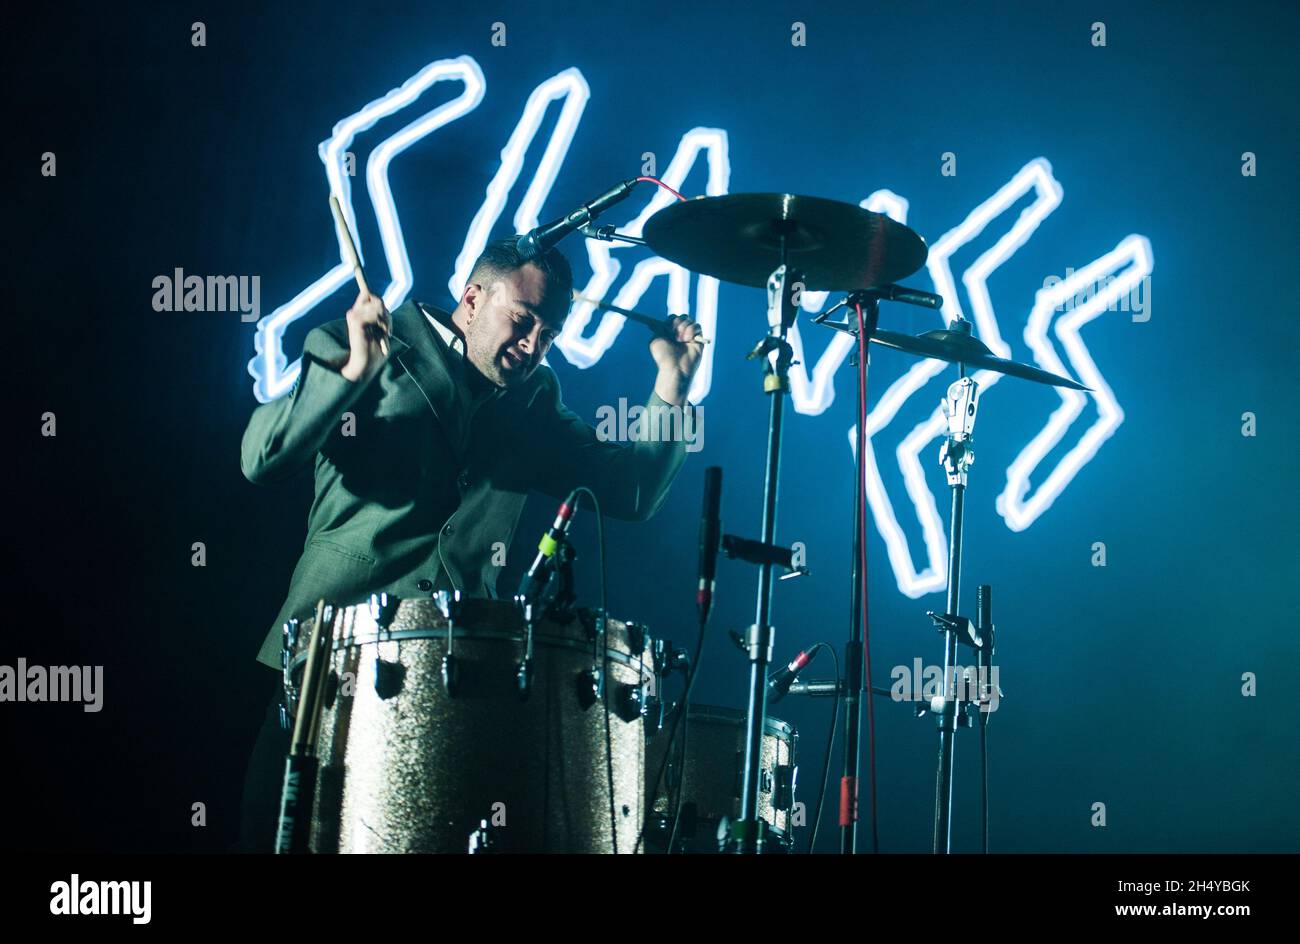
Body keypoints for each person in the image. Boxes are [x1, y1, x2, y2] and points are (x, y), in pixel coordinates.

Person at [236, 237, 704, 850]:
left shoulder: (534, 401)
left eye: (551, 333)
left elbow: (631, 492)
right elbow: (260, 458)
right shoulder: (368, 347)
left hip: (458, 679)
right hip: (328, 662)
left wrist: (672, 383)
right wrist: (351, 373)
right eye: (523, 319)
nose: (534, 345)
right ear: (473, 297)